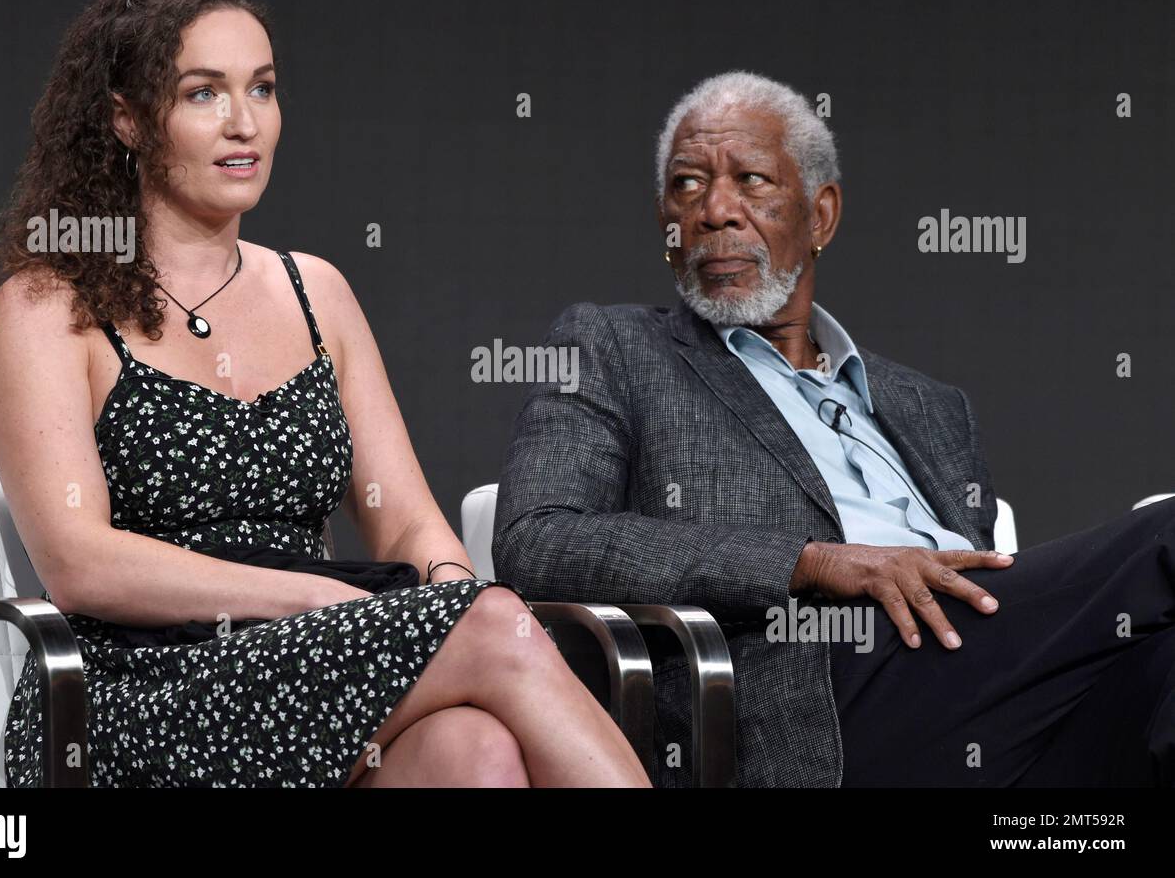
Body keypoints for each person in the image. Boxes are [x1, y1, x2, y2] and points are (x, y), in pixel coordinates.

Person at [0, 0, 649, 789]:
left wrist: (446, 596)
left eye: (261, 88)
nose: (242, 123)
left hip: (317, 663)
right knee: (495, 627)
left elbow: (406, 526)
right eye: (201, 93)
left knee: (477, 751)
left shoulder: (315, 292)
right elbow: (81, 563)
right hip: (133, 689)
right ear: (125, 118)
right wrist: (311, 599)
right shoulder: (50, 304)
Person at [492, 69, 1175, 788]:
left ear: (821, 216)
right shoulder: (615, 347)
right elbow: (538, 538)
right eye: (687, 185)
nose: (715, 209)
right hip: (811, 703)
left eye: (750, 179)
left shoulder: (931, 406)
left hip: (980, 702)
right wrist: (812, 561)